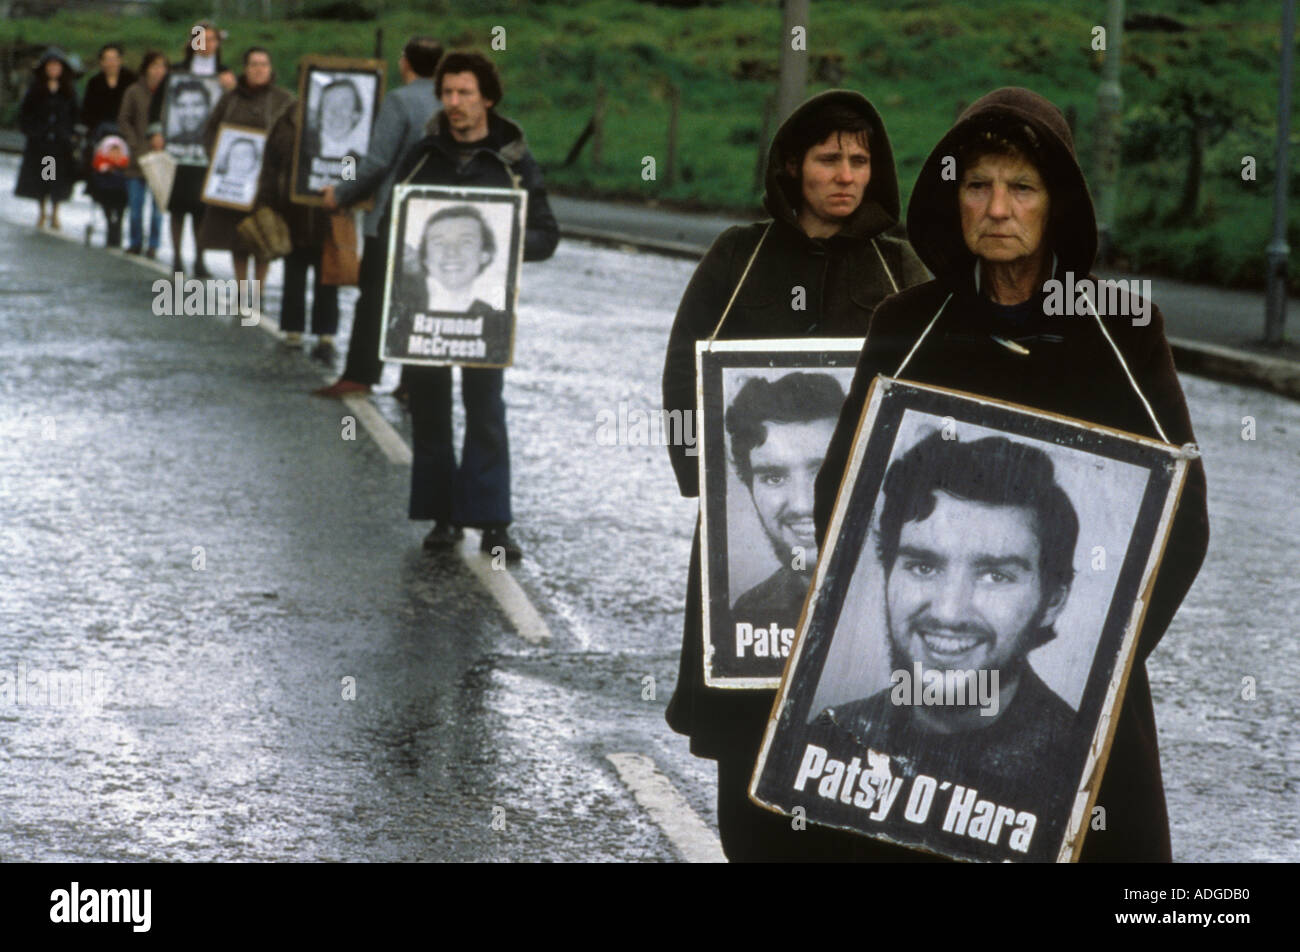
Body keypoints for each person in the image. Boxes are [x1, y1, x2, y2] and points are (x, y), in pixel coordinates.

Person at [813, 87, 1211, 862]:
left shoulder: (1122, 332)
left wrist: (1108, 659)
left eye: (1022, 187)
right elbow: (842, 497)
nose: (997, 209)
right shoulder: (906, 326)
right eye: (977, 185)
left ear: (1056, 204)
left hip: (1089, 736)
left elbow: (1183, 521)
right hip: (905, 761)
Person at [661, 89, 928, 863]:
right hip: (743, 589)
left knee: (857, 735)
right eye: (827, 159)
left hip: (866, 556)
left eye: (859, 160)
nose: (846, 175)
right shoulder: (737, 258)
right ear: (791, 167)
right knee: (749, 748)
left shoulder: (899, 266)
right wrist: (708, 481)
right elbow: (684, 373)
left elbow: (937, 393)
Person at [815, 431, 1082, 823]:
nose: (949, 613)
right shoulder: (830, 735)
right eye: (923, 567)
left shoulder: (1082, 770)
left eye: (995, 575)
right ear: (888, 575)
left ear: (1052, 603)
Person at [390, 51, 559, 562]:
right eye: (447, 93)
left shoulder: (512, 160)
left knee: (485, 411)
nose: (454, 102)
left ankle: (492, 524)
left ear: (488, 98)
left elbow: (547, 234)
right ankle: (441, 518)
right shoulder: (423, 156)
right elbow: (397, 225)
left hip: (487, 315)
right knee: (430, 409)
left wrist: (508, 242)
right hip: (425, 313)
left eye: (465, 92)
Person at [316, 35, 443, 399]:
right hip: (433, 215)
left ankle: (360, 374)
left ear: (405, 63)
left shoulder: (400, 100)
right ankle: (412, 382)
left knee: (374, 298)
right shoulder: (449, 99)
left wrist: (340, 193)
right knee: (421, 299)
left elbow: (376, 162)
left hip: (392, 215)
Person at [725, 372, 844, 625]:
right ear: (751, 488)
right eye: (774, 478)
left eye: (825, 473)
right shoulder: (751, 612)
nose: (803, 505)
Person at [200, 47, 294, 289]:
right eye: (254, 64)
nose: (259, 69)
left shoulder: (284, 101)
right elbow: (210, 131)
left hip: (268, 183)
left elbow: (293, 138)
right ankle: (242, 289)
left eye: (264, 64)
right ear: (245, 69)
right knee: (238, 239)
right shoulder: (230, 99)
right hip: (235, 184)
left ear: (270, 69)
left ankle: (258, 291)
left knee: (264, 236)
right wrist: (218, 158)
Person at [257, 99, 338, 358]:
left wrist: (346, 192)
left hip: (328, 213)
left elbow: (351, 161)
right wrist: (266, 201)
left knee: (328, 275)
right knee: (294, 272)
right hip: (292, 212)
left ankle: (326, 332)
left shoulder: (338, 125)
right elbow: (271, 165)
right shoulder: (286, 122)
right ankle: (293, 329)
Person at [155, 21, 236, 277]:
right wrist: (156, 132)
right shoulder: (176, 72)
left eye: (212, 39)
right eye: (201, 39)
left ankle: (200, 258)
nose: (206, 44)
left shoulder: (225, 74)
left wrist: (232, 88)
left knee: (202, 209)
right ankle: (177, 257)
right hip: (178, 153)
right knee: (177, 207)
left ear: (218, 43)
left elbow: (236, 109)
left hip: (208, 154)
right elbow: (156, 105)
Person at [15, 48, 80, 232]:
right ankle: (42, 211)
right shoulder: (36, 90)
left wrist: (71, 134)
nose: (53, 69)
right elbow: (25, 114)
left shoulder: (68, 91)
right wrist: (33, 132)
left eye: (57, 66)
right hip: (41, 144)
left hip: (61, 144)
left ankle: (55, 211)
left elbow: (75, 115)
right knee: (43, 177)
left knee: (58, 179)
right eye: (50, 66)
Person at [81, 43, 136, 247]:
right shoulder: (94, 82)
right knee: (99, 176)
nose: (111, 63)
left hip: (125, 135)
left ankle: (118, 219)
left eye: (114, 58)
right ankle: (107, 216)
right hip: (100, 135)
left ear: (120, 60)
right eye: (107, 59)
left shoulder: (130, 80)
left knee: (123, 177)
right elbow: (86, 112)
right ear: (101, 62)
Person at [118, 50, 167, 257]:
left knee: (158, 210)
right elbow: (124, 119)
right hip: (137, 157)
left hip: (162, 157)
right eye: (154, 66)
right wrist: (133, 143)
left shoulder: (171, 93)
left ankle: (154, 245)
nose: (158, 71)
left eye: (162, 66)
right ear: (146, 68)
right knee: (135, 208)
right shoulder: (134, 91)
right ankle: (135, 241)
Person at [309, 78, 366, 159]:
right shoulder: (303, 149)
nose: (336, 112)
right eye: (329, 104)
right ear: (320, 115)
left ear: (356, 115)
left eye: (344, 105)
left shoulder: (363, 160)